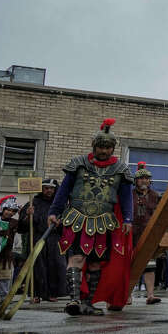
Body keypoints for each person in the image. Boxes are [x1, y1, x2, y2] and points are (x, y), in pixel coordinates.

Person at [48, 119, 135, 316]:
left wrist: (128, 220)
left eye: (108, 147)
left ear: (113, 148)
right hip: (77, 218)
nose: (104, 151)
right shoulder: (78, 164)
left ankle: (87, 302)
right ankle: (74, 299)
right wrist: (54, 212)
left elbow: (126, 197)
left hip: (104, 221)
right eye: (101, 147)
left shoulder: (121, 169)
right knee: (77, 258)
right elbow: (63, 191)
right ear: (93, 146)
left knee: (96, 263)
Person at [18, 178, 67, 301]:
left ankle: (52, 293)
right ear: (42, 189)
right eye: (46, 188)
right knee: (37, 266)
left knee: (55, 265)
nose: (49, 190)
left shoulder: (60, 204)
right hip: (37, 237)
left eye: (51, 188)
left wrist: (61, 224)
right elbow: (22, 226)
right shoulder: (33, 202)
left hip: (55, 239)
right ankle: (35, 293)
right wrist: (28, 216)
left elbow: (67, 223)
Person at [131, 162, 163, 305]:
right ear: (136, 181)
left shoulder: (155, 196)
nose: (144, 180)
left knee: (150, 265)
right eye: (141, 178)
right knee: (130, 265)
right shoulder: (129, 195)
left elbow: (160, 214)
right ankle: (127, 295)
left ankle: (150, 295)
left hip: (148, 234)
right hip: (131, 234)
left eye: (147, 178)